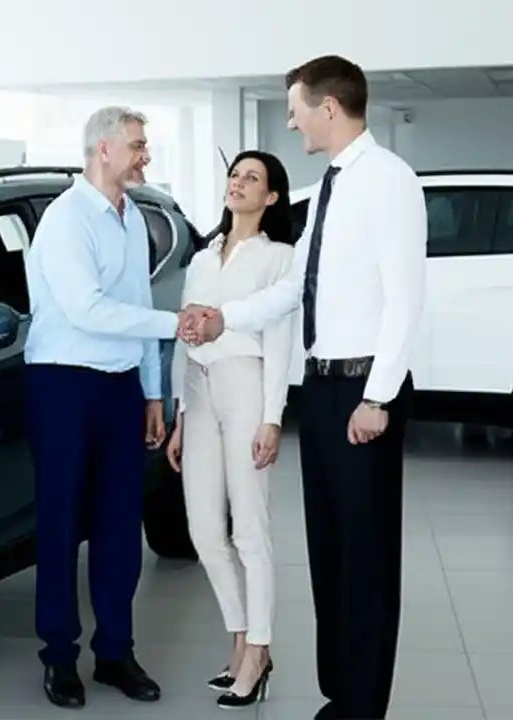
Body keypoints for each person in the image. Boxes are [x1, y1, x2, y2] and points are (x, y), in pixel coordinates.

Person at [180, 56, 426, 720]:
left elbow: (405, 299)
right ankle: (340, 693)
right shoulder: (330, 188)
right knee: (331, 552)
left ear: (327, 108)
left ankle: (362, 706)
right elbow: (295, 288)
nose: (290, 121)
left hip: (360, 391)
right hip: (321, 390)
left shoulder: (389, 181)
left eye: (295, 109)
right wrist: (224, 316)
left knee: (366, 556)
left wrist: (377, 396)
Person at [23, 106, 194, 708]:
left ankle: (115, 653)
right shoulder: (66, 221)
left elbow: (135, 307)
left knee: (121, 525)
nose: (145, 155)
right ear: (103, 150)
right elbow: (88, 311)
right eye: (138, 145)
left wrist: (151, 392)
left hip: (120, 387)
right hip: (63, 385)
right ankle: (59, 657)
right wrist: (180, 322)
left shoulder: (130, 217)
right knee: (62, 525)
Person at [166, 149, 296, 710]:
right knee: (203, 530)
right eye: (233, 175)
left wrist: (272, 417)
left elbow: (280, 342)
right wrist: (179, 412)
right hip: (198, 391)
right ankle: (240, 637)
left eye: (251, 178)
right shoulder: (200, 259)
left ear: (270, 197)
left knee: (249, 529)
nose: (237, 184)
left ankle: (259, 650)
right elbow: (182, 333)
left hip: (246, 384)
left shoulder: (279, 259)